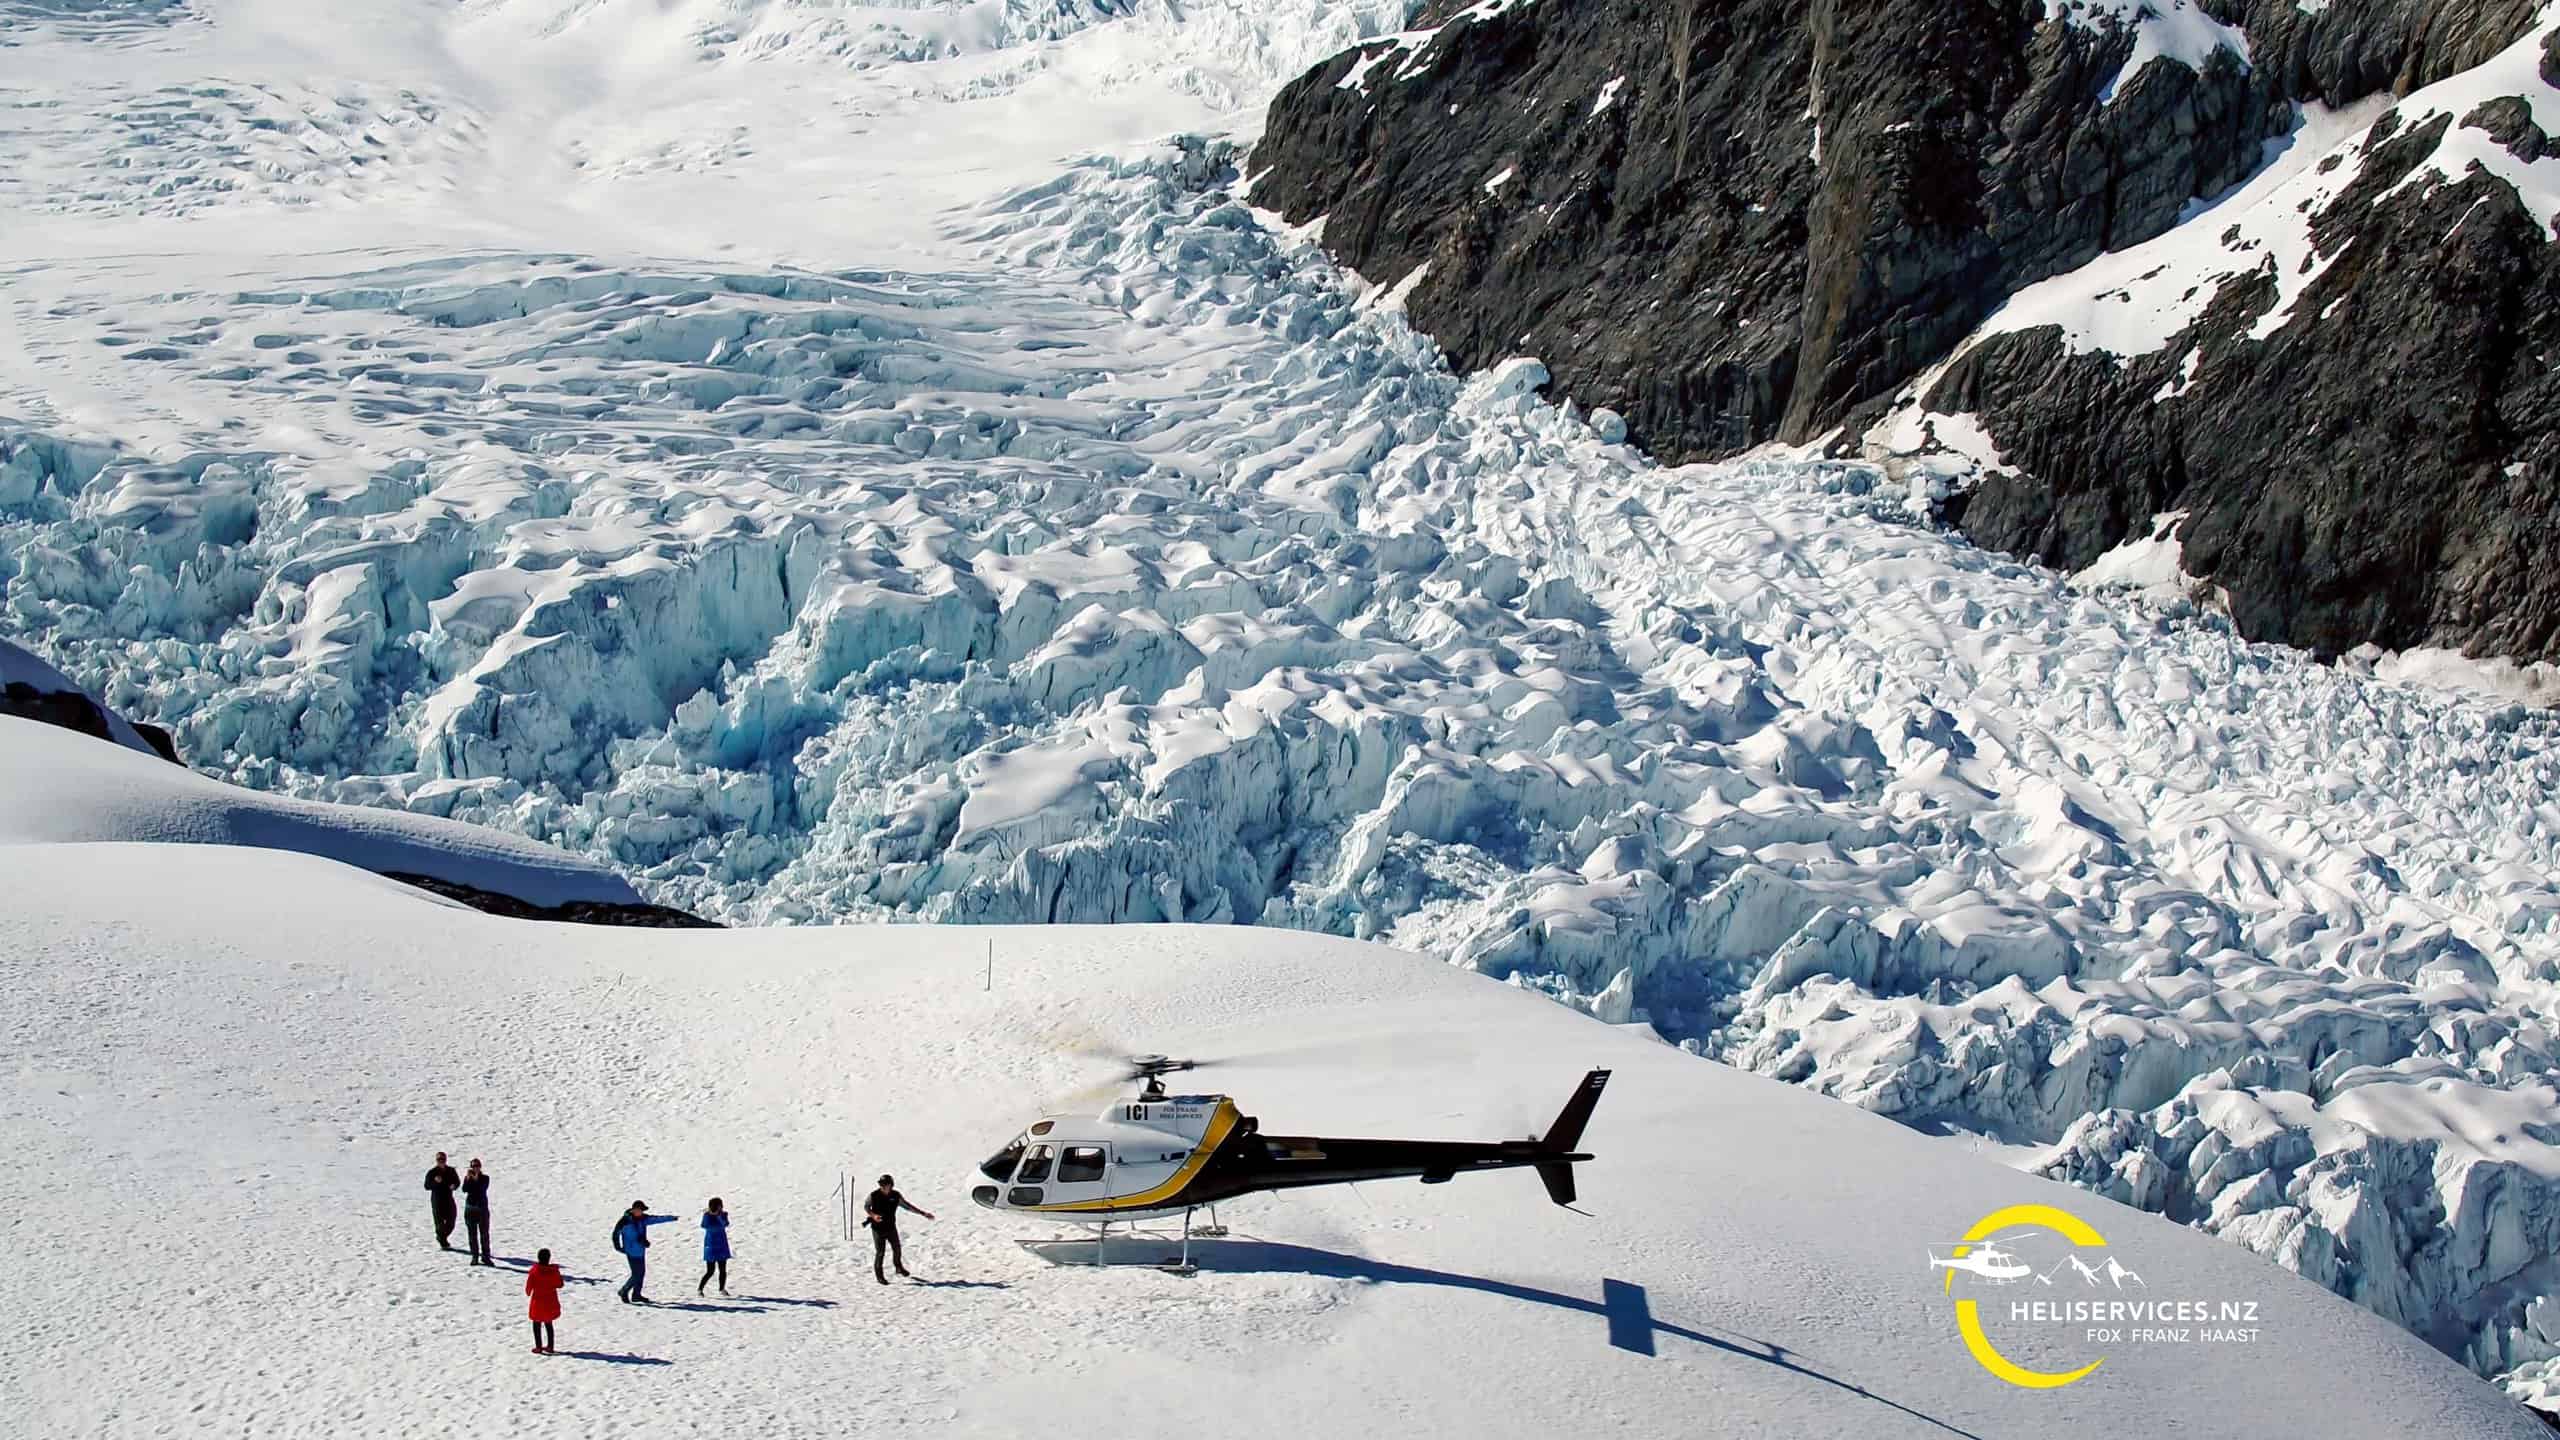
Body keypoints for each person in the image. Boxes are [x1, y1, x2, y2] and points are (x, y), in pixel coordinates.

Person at [863, 1175, 934, 1285]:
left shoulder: (895, 1196)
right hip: (878, 1229)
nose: (882, 1187)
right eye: (881, 1185)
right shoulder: (874, 1195)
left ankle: (898, 1267)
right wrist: (873, 1216)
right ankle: (880, 1276)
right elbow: (866, 1207)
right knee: (880, 1252)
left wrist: (923, 1213)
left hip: (891, 1227)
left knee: (897, 1248)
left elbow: (907, 1206)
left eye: (885, 1184)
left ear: (891, 1185)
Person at [611, 1201, 676, 1304]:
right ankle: (624, 1291)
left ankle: (636, 1295)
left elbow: (656, 1219)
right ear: (634, 1210)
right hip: (631, 1251)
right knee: (636, 1274)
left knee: (641, 1274)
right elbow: (615, 1234)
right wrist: (618, 1247)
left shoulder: (643, 1219)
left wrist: (672, 1218)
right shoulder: (624, 1221)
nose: (642, 1212)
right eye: (640, 1210)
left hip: (640, 1250)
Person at [526, 1248, 564, 1354]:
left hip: (537, 1301)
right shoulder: (554, 1271)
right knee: (549, 1324)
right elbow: (560, 1284)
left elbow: (529, 1286)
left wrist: (528, 1291)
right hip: (550, 1301)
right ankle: (550, 1346)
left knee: (536, 1324)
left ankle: (538, 1346)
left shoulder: (534, 1271)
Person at [424, 1153, 461, 1251]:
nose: (441, 1161)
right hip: (437, 1200)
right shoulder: (432, 1172)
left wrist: (454, 1185)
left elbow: (457, 1182)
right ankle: (443, 1241)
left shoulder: (451, 1170)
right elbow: (427, 1186)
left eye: (443, 1159)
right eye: (439, 1159)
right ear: (436, 1160)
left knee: (451, 1221)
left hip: (448, 1199)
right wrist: (435, 1182)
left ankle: (441, 1237)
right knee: (439, 1223)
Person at [461, 1159, 493, 1266]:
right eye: (473, 1166)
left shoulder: (485, 1178)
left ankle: (486, 1256)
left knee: (484, 1234)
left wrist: (476, 1179)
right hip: (470, 1209)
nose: (475, 1168)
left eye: (477, 1166)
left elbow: (482, 1189)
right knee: (472, 1234)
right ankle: (474, 1256)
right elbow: (464, 1189)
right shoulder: (468, 1178)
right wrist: (469, 1179)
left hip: (482, 1209)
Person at [698, 1198, 732, 1297]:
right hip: (711, 1246)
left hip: (722, 1245)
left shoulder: (723, 1214)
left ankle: (722, 1288)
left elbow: (725, 1224)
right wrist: (710, 1215)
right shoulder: (707, 1215)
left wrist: (718, 1216)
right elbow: (704, 1225)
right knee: (710, 1271)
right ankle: (700, 1289)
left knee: (723, 1269)